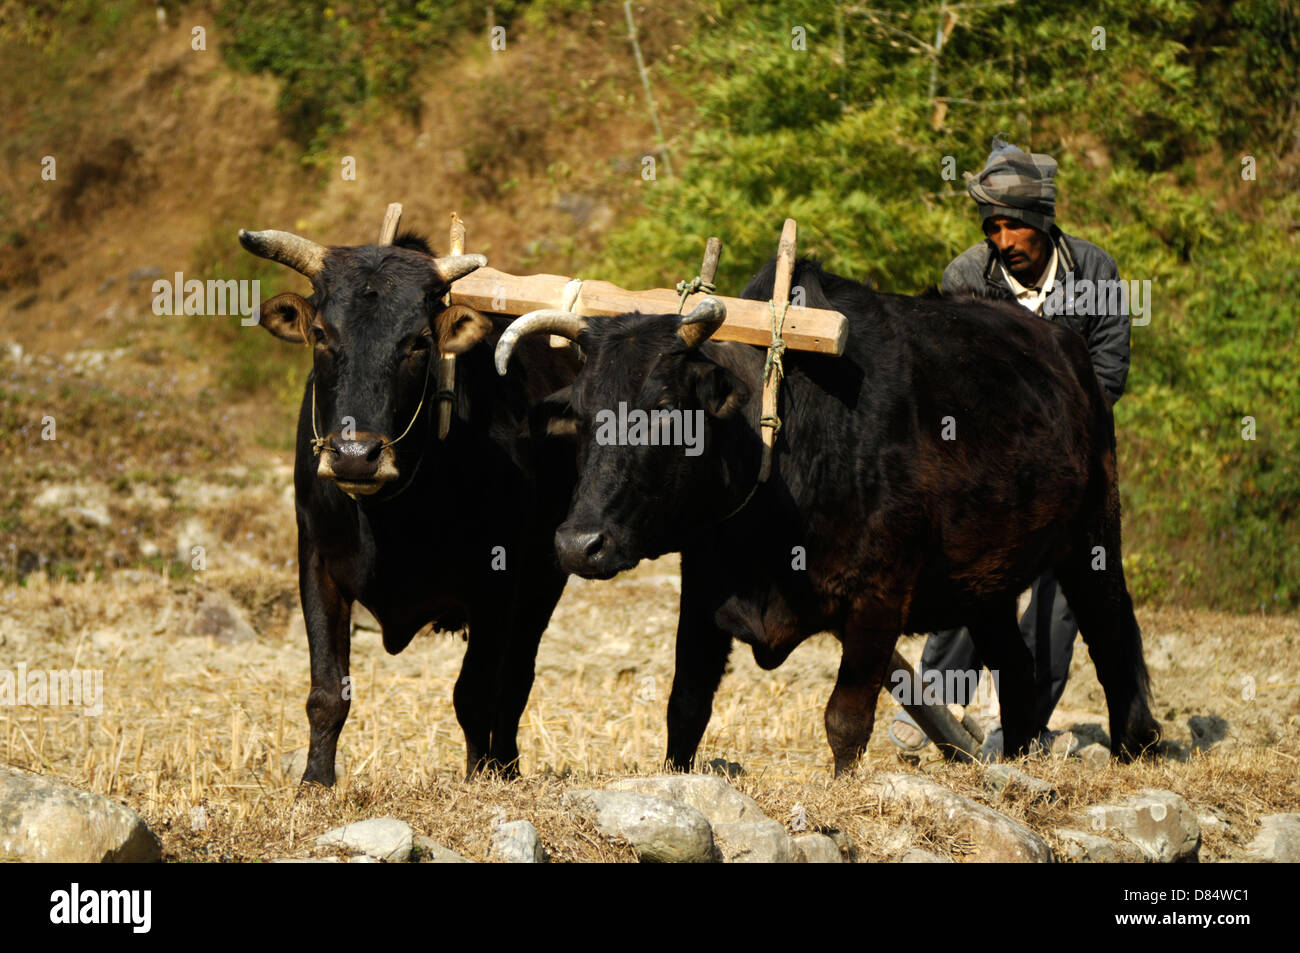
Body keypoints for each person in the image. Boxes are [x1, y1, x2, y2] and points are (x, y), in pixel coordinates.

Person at [890, 134, 1132, 757]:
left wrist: (1059, 444)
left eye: (1012, 227)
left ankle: (1021, 729)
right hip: (985, 468)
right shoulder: (965, 277)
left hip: (1071, 463)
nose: (1003, 242)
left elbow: (1108, 373)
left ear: (1041, 223)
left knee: (1065, 602)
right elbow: (945, 379)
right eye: (991, 228)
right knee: (970, 582)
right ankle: (934, 717)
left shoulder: (1096, 272)